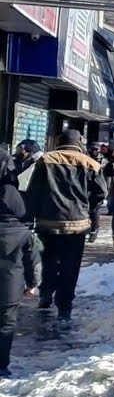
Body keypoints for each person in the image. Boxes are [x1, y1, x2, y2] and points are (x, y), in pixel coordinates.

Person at [25, 130, 108, 321]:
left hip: (48, 223)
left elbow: (34, 191)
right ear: (80, 143)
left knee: (48, 261)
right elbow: (101, 193)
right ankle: (65, 306)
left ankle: (45, 295)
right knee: (70, 266)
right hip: (77, 225)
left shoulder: (46, 160)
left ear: (60, 141)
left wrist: (31, 216)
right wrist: (87, 208)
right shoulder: (91, 164)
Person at [0, 148, 31, 377]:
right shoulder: (23, 233)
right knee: (6, 323)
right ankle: (2, 365)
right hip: (10, 286)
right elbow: (32, 260)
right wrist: (32, 283)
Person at [13, 140, 42, 297]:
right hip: (26, 211)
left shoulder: (36, 164)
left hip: (29, 211)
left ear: (28, 150)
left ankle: (32, 281)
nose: (18, 152)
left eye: (20, 149)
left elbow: (25, 187)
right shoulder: (28, 162)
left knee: (30, 248)